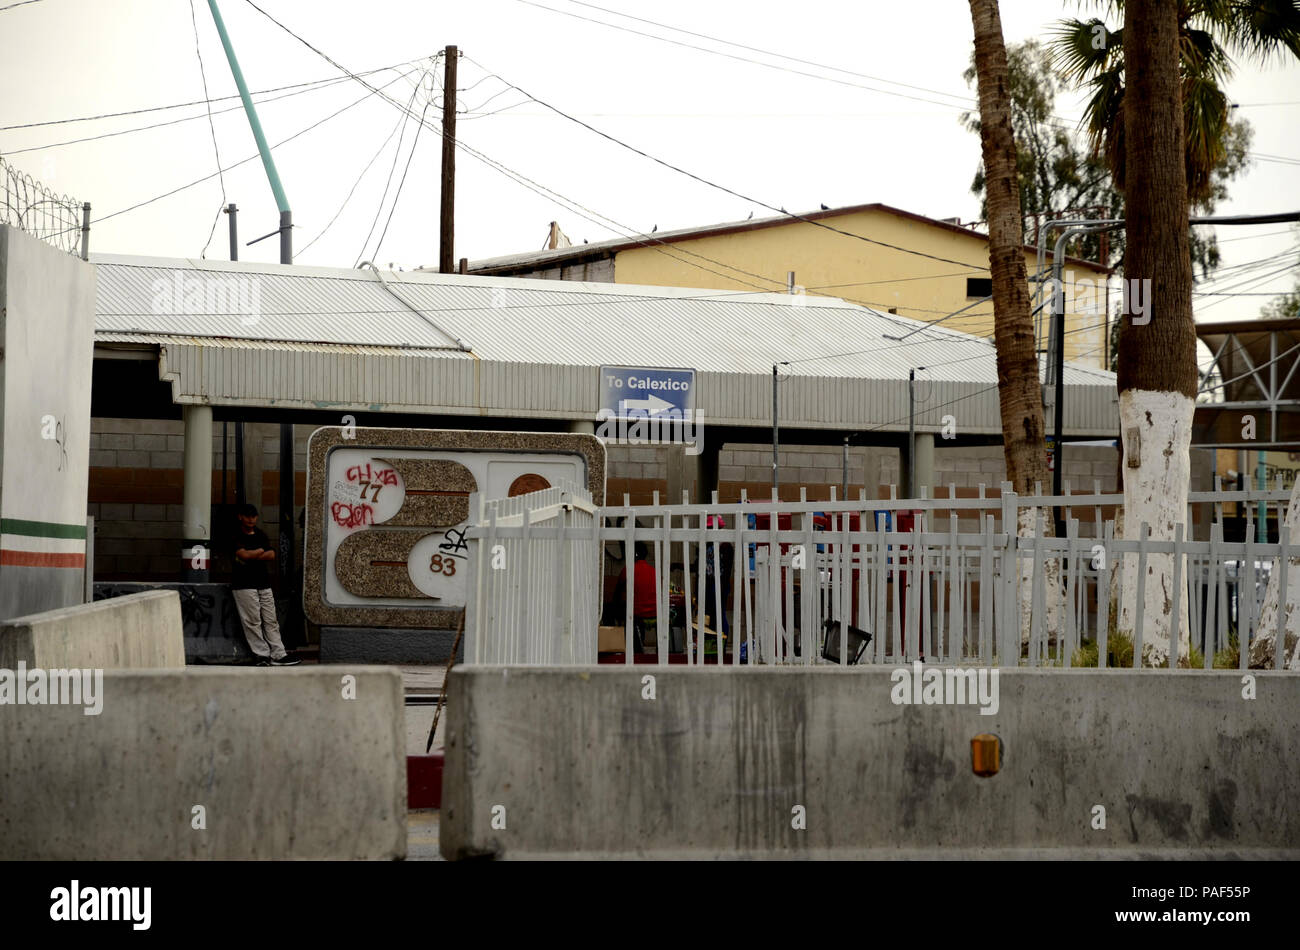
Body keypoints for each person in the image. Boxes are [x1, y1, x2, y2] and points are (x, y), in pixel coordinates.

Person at [230, 504, 299, 666]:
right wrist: (259, 552)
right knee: (252, 621)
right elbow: (243, 554)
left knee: (271, 620)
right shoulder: (235, 535)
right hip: (243, 584)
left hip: (263, 583)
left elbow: (271, 554)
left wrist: (253, 554)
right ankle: (261, 655)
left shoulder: (260, 534)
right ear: (240, 517)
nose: (251, 520)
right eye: (247, 516)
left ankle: (278, 654)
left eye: (253, 516)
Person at [611, 541, 657, 652]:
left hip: (636, 614)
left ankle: (616, 644)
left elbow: (617, 592)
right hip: (654, 612)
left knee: (611, 609)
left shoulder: (628, 569)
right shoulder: (653, 570)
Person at [702, 514, 733, 637]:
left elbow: (727, 570)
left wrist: (721, 586)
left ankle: (723, 641)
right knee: (710, 615)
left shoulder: (725, 546)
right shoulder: (709, 545)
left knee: (720, 614)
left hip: (720, 584)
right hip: (710, 584)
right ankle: (712, 641)